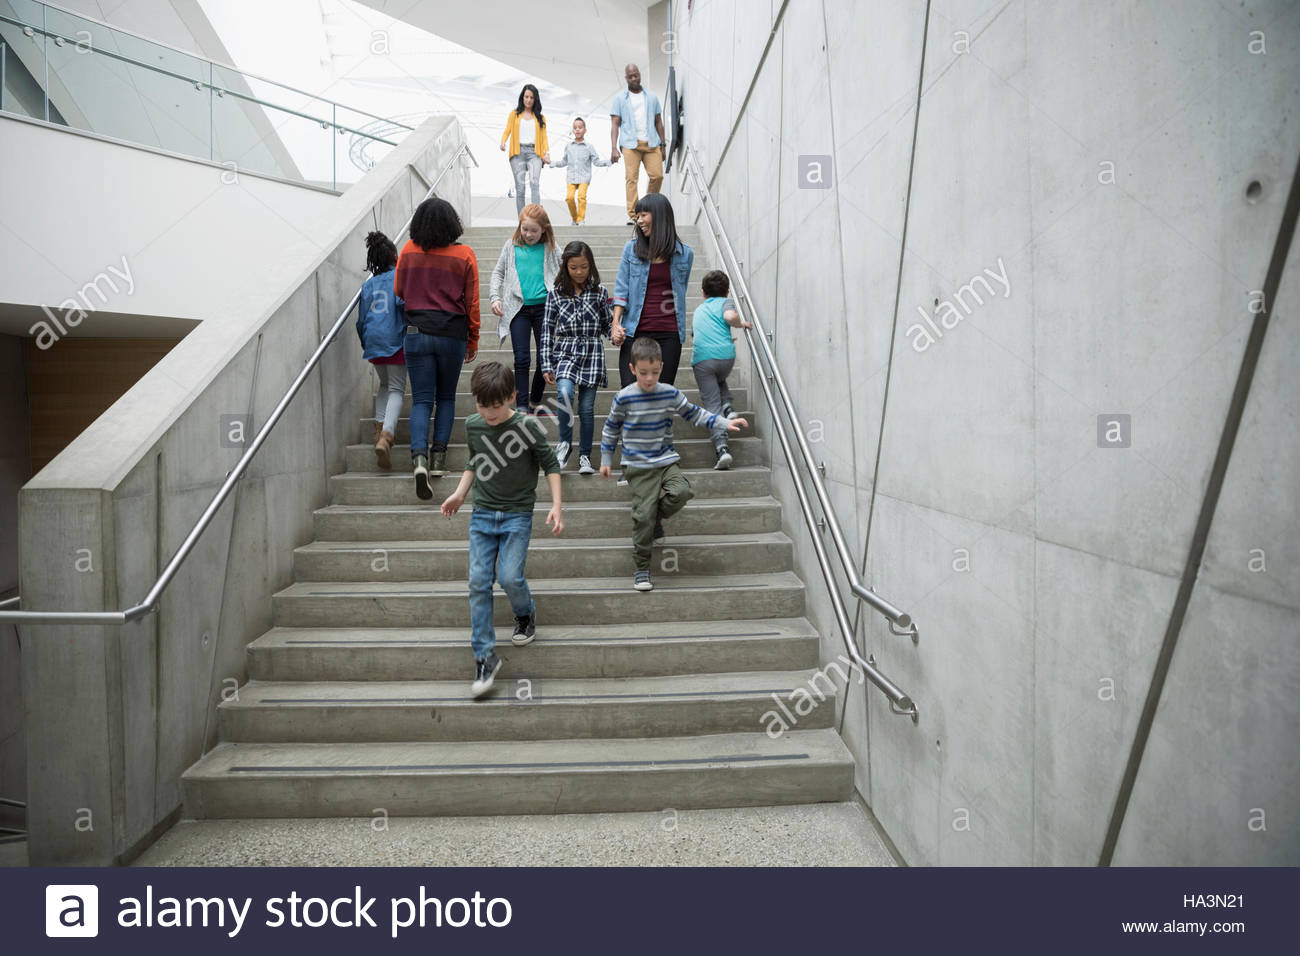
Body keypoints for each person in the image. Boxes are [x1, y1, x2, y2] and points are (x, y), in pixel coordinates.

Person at [440, 362, 563, 697]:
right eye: (483, 405)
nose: (489, 413)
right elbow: (475, 461)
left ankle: (525, 614)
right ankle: (484, 657)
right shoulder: (474, 425)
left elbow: (551, 465)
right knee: (478, 582)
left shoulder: (527, 427)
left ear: (512, 397)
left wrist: (555, 505)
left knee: (509, 577)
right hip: (482, 515)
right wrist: (459, 493)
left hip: (516, 516)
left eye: (496, 406)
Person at [600, 337, 746, 591]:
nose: (649, 378)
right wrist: (605, 459)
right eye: (643, 373)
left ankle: (656, 516)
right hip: (637, 465)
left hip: (666, 460)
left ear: (662, 368)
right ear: (632, 369)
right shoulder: (623, 397)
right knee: (642, 518)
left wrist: (724, 423)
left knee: (681, 492)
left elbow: (695, 413)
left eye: (655, 372)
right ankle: (642, 568)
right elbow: (611, 429)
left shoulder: (669, 393)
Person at [393, 197, 478, 498]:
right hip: (451, 334)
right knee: (446, 398)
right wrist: (473, 338)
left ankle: (419, 459)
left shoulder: (408, 251)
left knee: (421, 401)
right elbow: (472, 302)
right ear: (452, 224)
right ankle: (439, 457)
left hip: (416, 333)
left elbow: (398, 291)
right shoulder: (464, 254)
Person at [541, 241, 611, 474]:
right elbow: (547, 331)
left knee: (587, 408)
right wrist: (545, 363)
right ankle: (564, 444)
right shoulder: (555, 295)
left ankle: (585, 457)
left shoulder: (600, 293)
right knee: (564, 393)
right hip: (565, 351)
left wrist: (616, 334)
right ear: (565, 267)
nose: (579, 272)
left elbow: (607, 325)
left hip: (592, 352)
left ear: (590, 265)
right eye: (574, 267)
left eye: (584, 267)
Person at [611, 192, 693, 388]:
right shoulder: (631, 249)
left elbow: (680, 291)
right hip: (636, 332)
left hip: (669, 334)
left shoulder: (685, 254)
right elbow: (621, 289)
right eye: (637, 216)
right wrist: (616, 324)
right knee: (630, 392)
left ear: (660, 215)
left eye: (644, 215)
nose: (639, 221)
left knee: (662, 397)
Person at [490, 204, 562, 414]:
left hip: (544, 309)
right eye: (525, 229)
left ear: (544, 230)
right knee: (522, 358)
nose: (528, 234)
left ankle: (535, 399)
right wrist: (495, 297)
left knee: (544, 358)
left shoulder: (552, 248)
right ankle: (522, 405)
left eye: (534, 230)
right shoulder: (511, 246)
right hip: (518, 309)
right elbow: (497, 274)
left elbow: (569, 267)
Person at [690, 270, 752, 470]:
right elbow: (730, 316)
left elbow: (696, 334)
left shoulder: (699, 310)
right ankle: (729, 408)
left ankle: (722, 449)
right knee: (719, 379)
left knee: (711, 403)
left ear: (702, 293)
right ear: (727, 292)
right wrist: (740, 324)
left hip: (702, 360)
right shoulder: (726, 302)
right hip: (726, 357)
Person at [356, 230, 406, 470]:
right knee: (397, 388)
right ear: (394, 255)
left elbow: (361, 319)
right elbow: (403, 306)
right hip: (394, 339)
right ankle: (387, 436)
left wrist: (366, 342)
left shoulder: (369, 285)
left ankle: (377, 432)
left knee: (384, 386)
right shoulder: (399, 277)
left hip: (372, 341)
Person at [609, 63, 665, 224]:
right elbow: (615, 124)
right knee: (632, 179)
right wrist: (613, 148)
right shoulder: (620, 98)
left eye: (636, 75)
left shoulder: (652, 97)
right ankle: (634, 215)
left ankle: (647, 208)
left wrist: (663, 144)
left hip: (652, 143)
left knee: (657, 176)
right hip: (629, 144)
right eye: (630, 76)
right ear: (626, 78)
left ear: (640, 75)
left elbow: (658, 122)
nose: (634, 78)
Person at [499, 84, 551, 216]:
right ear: (522, 97)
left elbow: (544, 137)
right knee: (520, 188)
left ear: (535, 100)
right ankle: (522, 221)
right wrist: (503, 141)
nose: (528, 100)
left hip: (535, 153)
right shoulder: (514, 114)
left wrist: (546, 153)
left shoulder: (540, 118)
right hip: (518, 153)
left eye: (531, 97)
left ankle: (535, 218)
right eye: (526, 97)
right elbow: (507, 130)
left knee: (534, 183)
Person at [550, 117, 610, 226]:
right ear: (573, 130)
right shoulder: (568, 146)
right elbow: (564, 161)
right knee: (569, 198)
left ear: (585, 130)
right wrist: (553, 163)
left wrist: (609, 162)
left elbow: (596, 162)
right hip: (571, 177)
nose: (577, 129)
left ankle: (580, 219)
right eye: (575, 128)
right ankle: (575, 218)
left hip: (584, 177)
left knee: (581, 197)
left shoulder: (589, 147)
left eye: (580, 127)